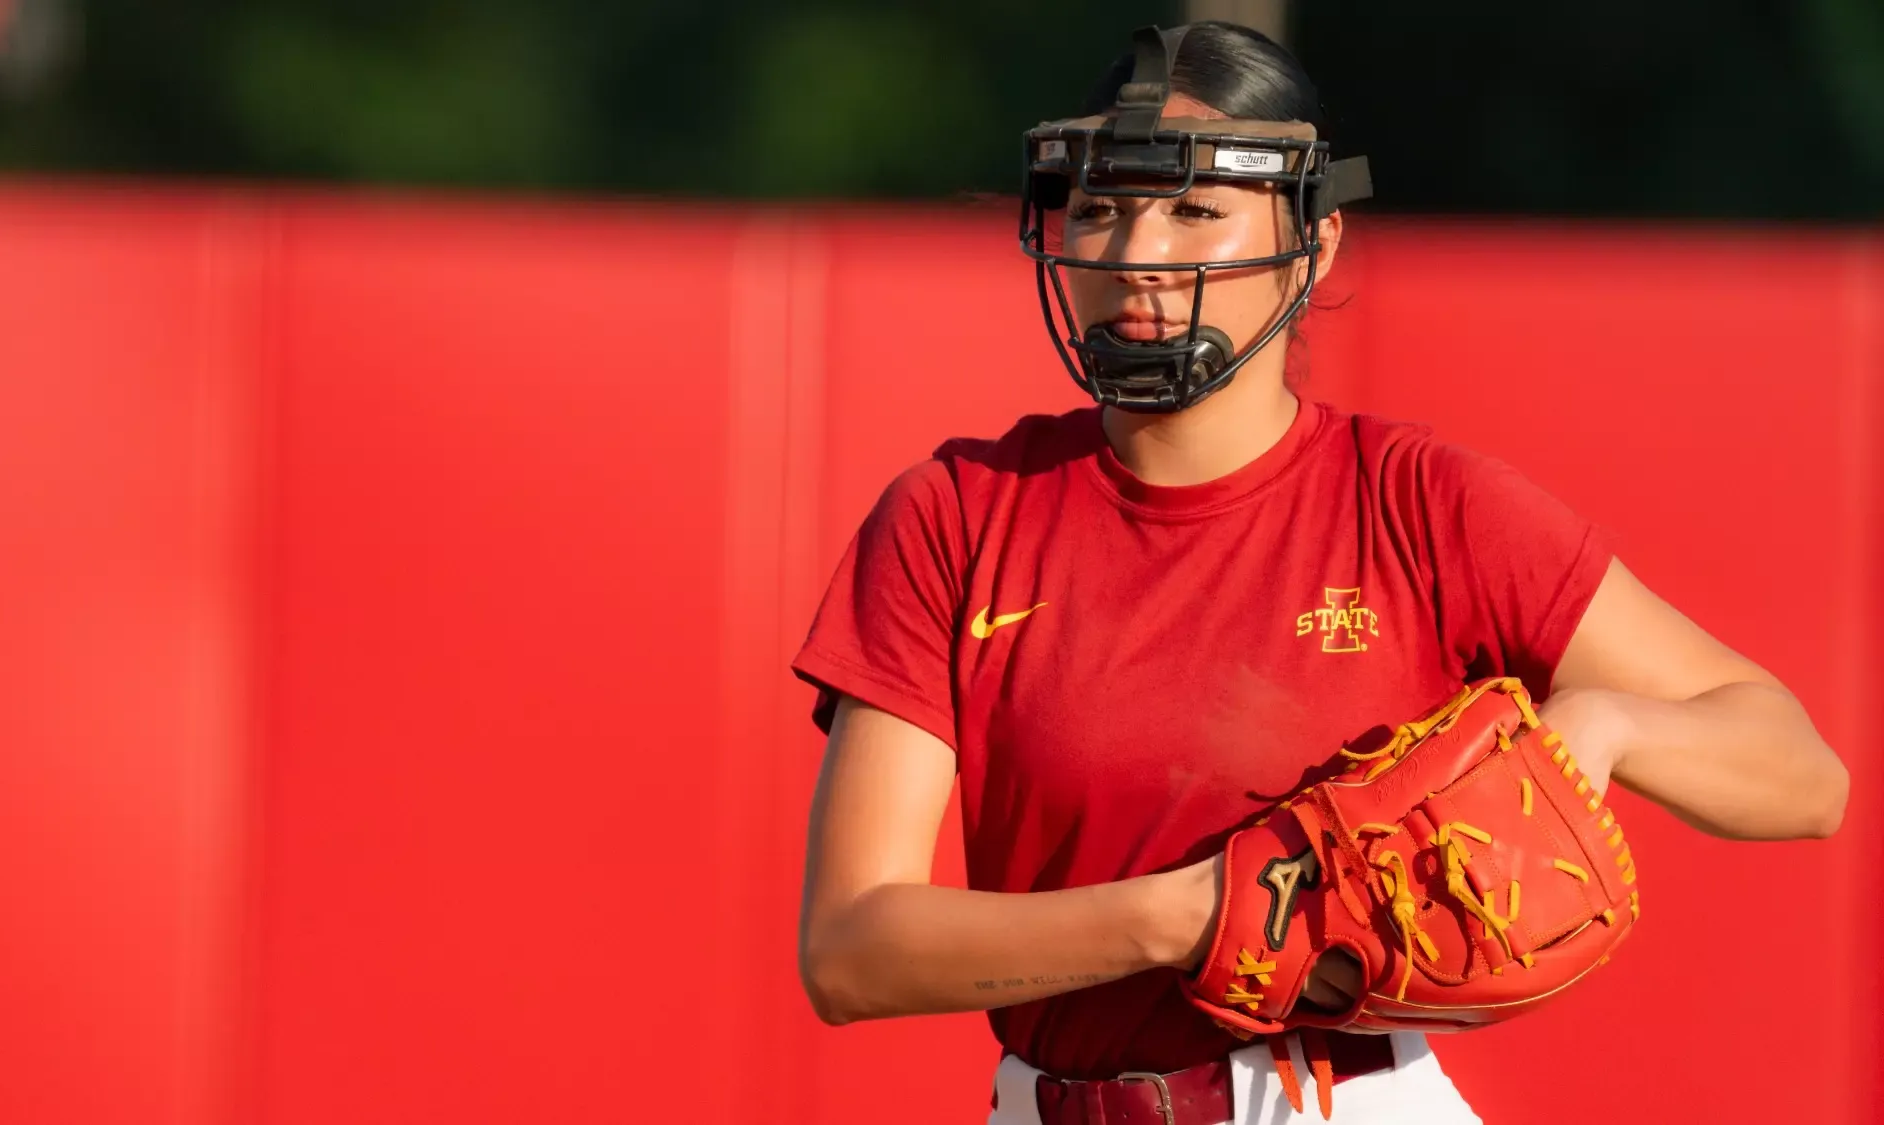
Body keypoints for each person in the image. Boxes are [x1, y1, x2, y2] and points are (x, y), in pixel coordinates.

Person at [790, 20, 1848, 1125]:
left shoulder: (1418, 504)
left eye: (1195, 211)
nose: (1134, 255)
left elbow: (1802, 776)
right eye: (1101, 207)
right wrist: (1193, 912)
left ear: (1315, 243)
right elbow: (852, 951)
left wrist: (1601, 728)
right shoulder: (956, 513)